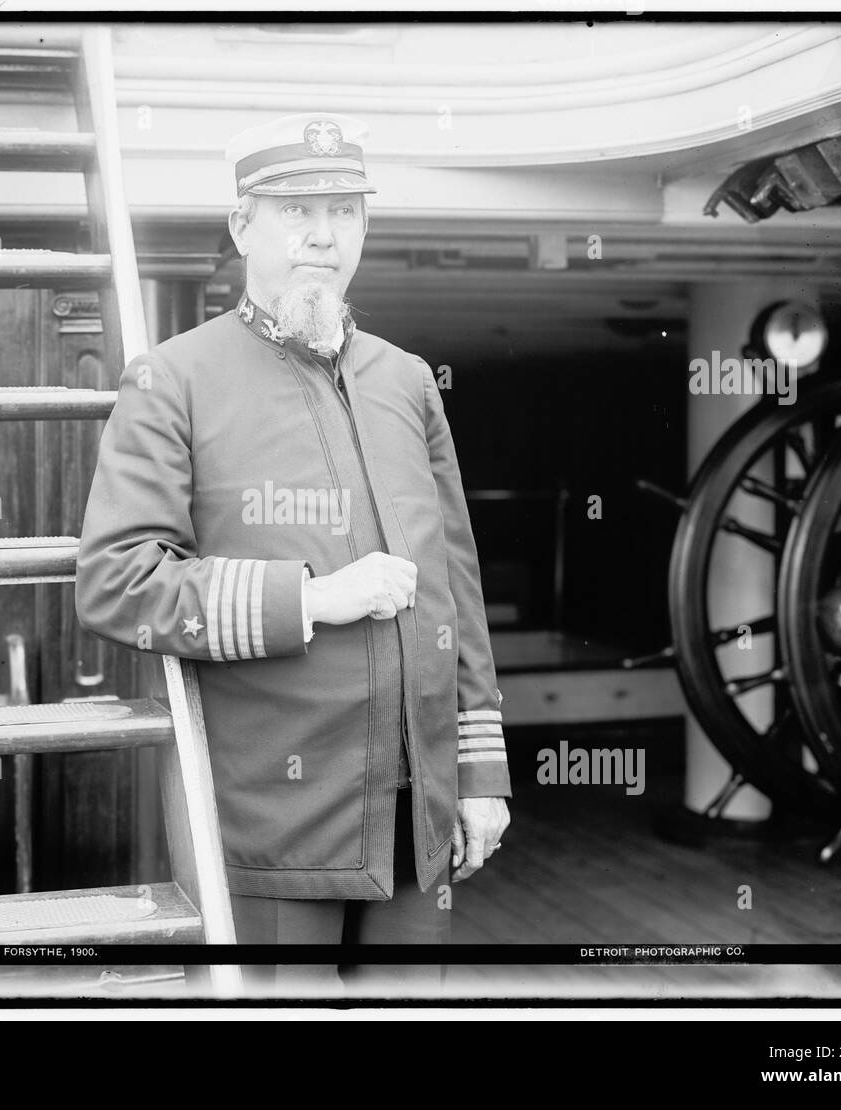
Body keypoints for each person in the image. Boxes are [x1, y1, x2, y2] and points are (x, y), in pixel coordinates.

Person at [74, 113, 510, 994]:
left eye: (344, 211)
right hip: (275, 819)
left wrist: (479, 774)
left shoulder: (408, 379)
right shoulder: (174, 378)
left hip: (416, 811)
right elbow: (118, 582)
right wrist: (310, 600)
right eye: (294, 210)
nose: (323, 234)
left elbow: (453, 583)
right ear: (242, 228)